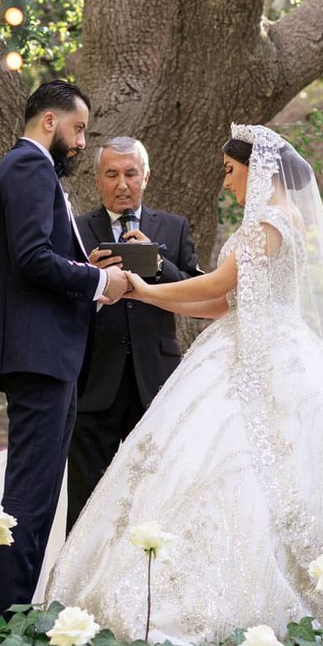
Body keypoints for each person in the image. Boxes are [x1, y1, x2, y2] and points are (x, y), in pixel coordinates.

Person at [45, 124, 323, 645]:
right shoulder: (261, 223)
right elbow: (221, 304)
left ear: (257, 168)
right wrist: (141, 295)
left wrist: (144, 282)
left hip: (270, 358)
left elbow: (219, 284)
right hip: (236, 343)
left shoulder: (271, 220)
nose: (227, 184)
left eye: (230, 172)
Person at [0, 79, 132, 618]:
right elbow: (32, 258)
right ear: (50, 121)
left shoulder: (30, 169)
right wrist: (95, 284)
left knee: (39, 497)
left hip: (48, 355)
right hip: (38, 357)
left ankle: (14, 618)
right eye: (79, 129)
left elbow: (42, 256)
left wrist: (87, 270)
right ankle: (5, 624)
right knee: (29, 496)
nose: (82, 142)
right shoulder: (27, 167)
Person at [67, 137, 198, 530]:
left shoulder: (173, 228)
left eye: (130, 173)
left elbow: (194, 292)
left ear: (146, 177)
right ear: (97, 180)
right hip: (94, 380)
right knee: (87, 503)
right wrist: (87, 275)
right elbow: (59, 297)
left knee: (158, 495)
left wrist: (158, 263)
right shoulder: (75, 229)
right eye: (112, 174)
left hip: (155, 379)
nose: (122, 184)